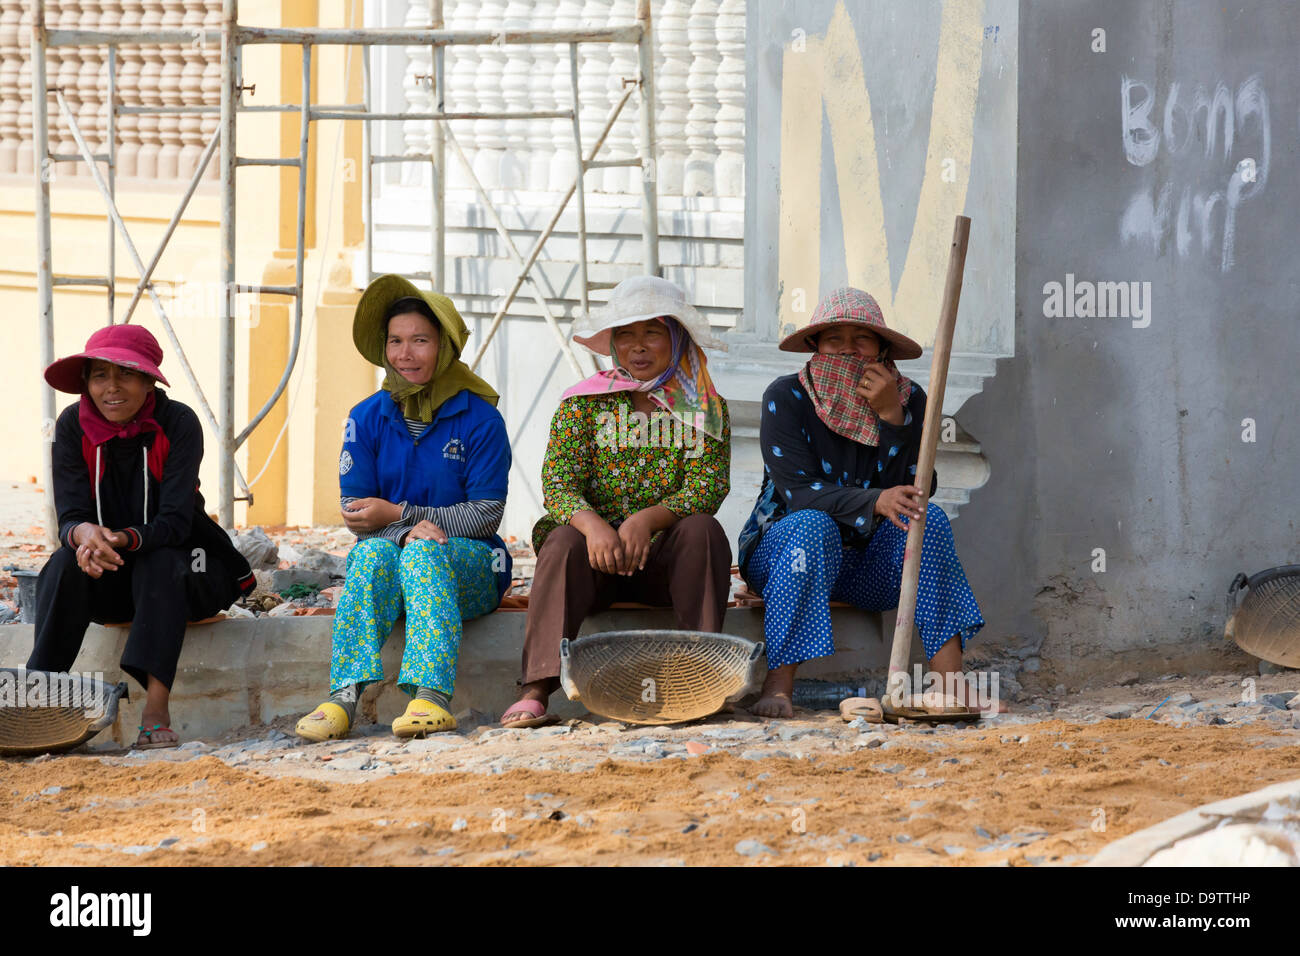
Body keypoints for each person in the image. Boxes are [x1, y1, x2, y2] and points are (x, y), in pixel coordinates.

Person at [737, 286, 990, 718]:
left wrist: (893, 418)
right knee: (811, 525)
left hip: (866, 568)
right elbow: (800, 493)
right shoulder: (787, 397)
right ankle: (778, 684)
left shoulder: (909, 401)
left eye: (862, 339)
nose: (849, 350)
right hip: (786, 556)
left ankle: (951, 684)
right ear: (816, 345)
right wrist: (874, 501)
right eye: (835, 339)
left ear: (881, 350)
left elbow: (917, 487)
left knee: (925, 521)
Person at [501, 275, 733, 727]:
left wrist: (646, 521)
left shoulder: (705, 408)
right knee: (563, 540)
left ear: (677, 337)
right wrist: (594, 527)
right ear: (612, 344)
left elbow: (708, 485)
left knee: (704, 529)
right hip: (594, 563)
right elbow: (559, 481)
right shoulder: (583, 404)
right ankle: (536, 687)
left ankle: (703, 676)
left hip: (666, 563)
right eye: (625, 334)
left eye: (652, 333)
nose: (638, 346)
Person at [295, 275, 512, 741]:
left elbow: (486, 514)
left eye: (420, 341)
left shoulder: (481, 418)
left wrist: (398, 516)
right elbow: (357, 511)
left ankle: (431, 697)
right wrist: (401, 529)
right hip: (395, 553)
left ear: (445, 347)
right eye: (395, 341)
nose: (405, 354)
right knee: (371, 554)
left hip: (473, 566)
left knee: (423, 553)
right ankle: (344, 696)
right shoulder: (366, 416)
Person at [29, 324, 255, 749]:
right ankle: (39, 697)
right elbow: (70, 516)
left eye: (126, 375)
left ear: (149, 381)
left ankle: (156, 712)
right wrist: (84, 537)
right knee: (62, 564)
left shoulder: (178, 422)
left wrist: (120, 539)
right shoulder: (71, 426)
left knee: (162, 561)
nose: (111, 388)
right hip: (113, 573)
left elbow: (175, 523)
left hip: (191, 569)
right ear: (86, 383)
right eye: (99, 375)